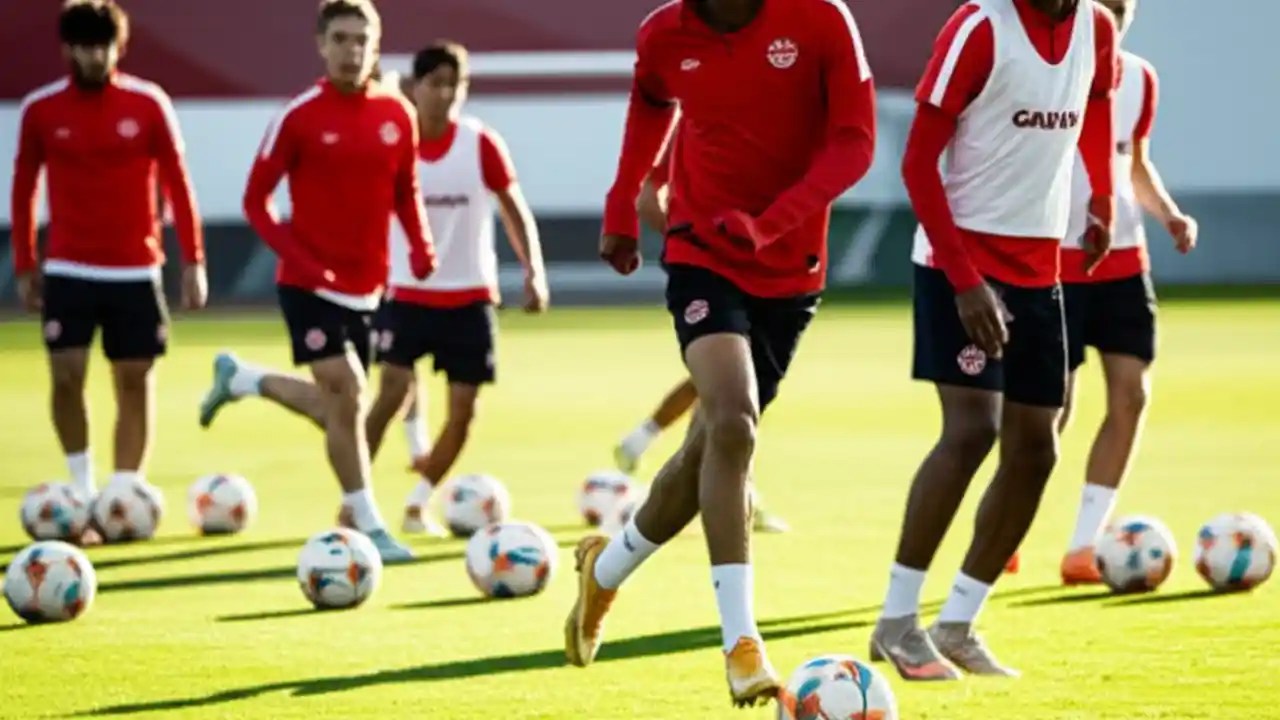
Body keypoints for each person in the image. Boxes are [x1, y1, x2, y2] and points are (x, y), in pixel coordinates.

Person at [564, 0, 877, 707]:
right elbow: (650, 105)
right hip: (701, 249)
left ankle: (604, 571)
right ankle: (741, 645)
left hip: (789, 260)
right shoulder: (663, 32)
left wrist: (772, 223)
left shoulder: (821, 19)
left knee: (703, 456)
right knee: (734, 424)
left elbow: (854, 142)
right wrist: (622, 208)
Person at [869, 0, 1118, 681]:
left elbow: (1096, 104)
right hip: (960, 263)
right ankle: (896, 622)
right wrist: (964, 280)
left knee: (1038, 448)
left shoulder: (1096, 26)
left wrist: (1101, 197)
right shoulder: (979, 27)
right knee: (973, 430)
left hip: (1040, 267)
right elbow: (918, 163)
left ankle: (958, 624)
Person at [197, 0, 435, 562]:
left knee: (340, 410)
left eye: (363, 40)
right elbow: (256, 200)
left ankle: (244, 380)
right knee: (349, 394)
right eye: (342, 40)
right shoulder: (299, 115)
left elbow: (407, 190)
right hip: (306, 285)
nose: (353, 51)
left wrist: (422, 246)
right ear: (321, 45)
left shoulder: (397, 115)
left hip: (367, 288)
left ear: (376, 47)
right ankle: (367, 523)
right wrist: (298, 260)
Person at [10, 0, 205, 530]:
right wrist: (26, 263)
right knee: (66, 376)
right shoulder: (42, 110)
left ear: (119, 47)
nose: (95, 56)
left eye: (104, 46)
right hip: (70, 267)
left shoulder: (148, 104)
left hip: (135, 268)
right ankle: (80, 489)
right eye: (84, 46)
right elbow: (25, 188)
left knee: (134, 380)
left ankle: (122, 496)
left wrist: (194, 259)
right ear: (67, 49)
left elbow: (177, 183)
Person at [359, 41, 549, 537]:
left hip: (469, 296)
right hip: (406, 293)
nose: (445, 95)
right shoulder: (392, 140)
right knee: (390, 393)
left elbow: (513, 208)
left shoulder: (479, 142)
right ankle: (355, 501)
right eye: (435, 83)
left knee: (463, 413)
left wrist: (534, 270)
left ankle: (419, 503)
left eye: (455, 85)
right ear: (414, 87)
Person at [1054, 0, 1196, 584]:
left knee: (1130, 396)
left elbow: (1133, 162)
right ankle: (1005, 526)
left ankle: (1085, 546)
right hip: (1054, 261)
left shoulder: (1140, 78)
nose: (1113, 20)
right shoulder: (1049, 72)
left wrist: (1169, 215)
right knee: (1047, 413)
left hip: (1122, 262)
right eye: (1103, 9)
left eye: (1122, 10)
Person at [614, 133, 790, 534]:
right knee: (733, 388)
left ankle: (641, 440)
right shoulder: (692, 123)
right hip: (729, 278)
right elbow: (646, 198)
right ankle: (739, 494)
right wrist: (694, 247)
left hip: (750, 275)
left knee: (723, 386)